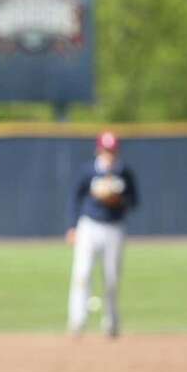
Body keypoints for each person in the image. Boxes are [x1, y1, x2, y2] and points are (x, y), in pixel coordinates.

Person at [66, 131, 138, 338]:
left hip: (114, 227)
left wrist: (117, 199)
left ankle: (111, 324)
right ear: (99, 149)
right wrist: (72, 227)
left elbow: (134, 201)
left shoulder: (124, 172)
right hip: (89, 226)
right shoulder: (89, 171)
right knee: (82, 273)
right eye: (106, 150)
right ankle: (77, 322)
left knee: (112, 278)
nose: (110, 154)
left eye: (113, 150)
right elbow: (74, 198)